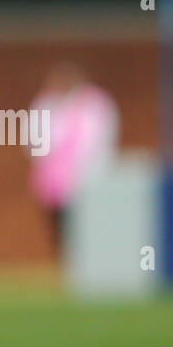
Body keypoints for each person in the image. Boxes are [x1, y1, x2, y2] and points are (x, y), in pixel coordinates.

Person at [30, 63, 119, 255]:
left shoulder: (94, 103)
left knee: (89, 224)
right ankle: (67, 260)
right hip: (54, 180)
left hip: (88, 176)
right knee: (61, 227)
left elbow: (102, 139)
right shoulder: (46, 104)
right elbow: (34, 140)